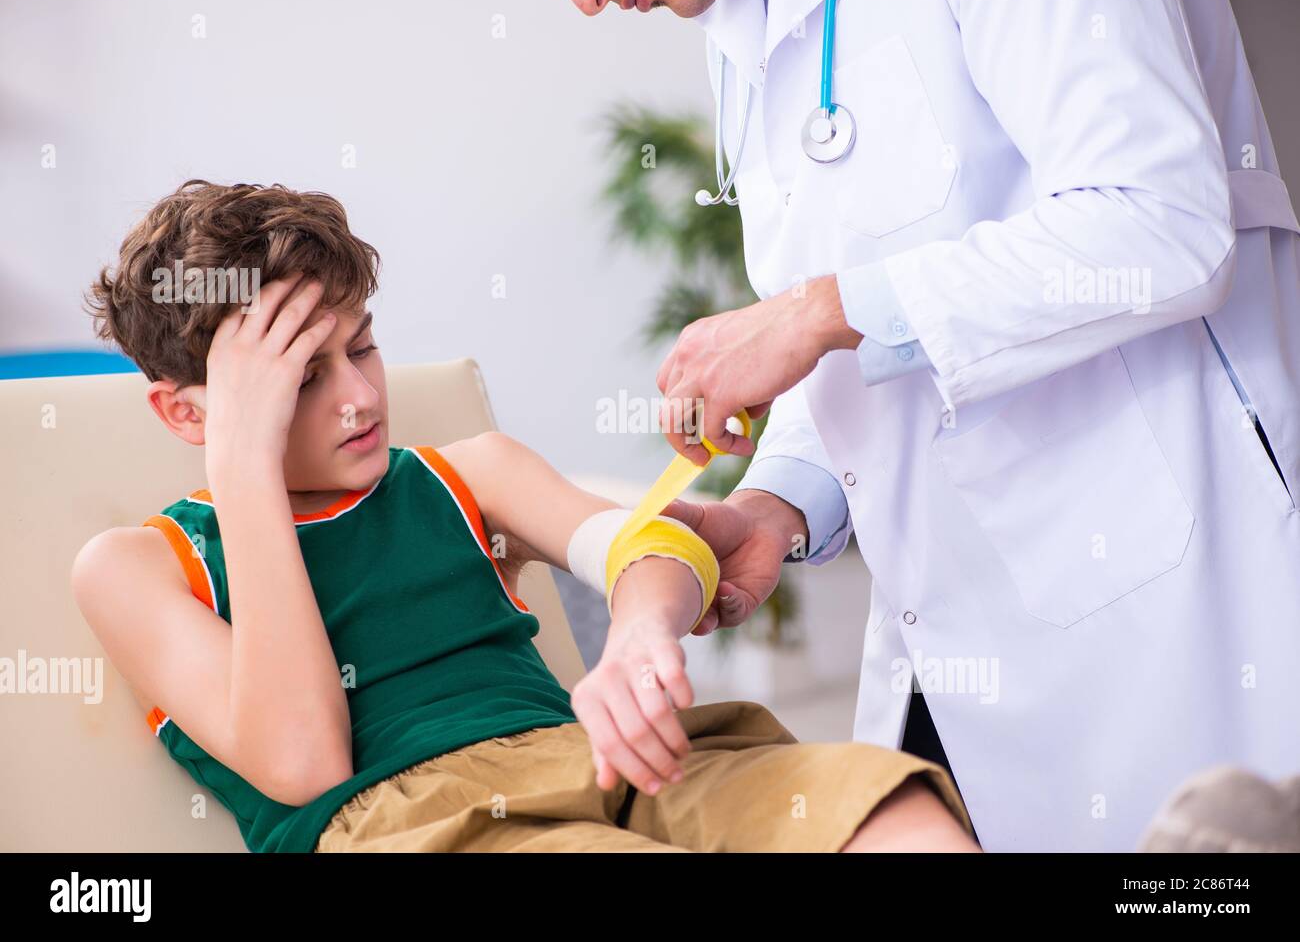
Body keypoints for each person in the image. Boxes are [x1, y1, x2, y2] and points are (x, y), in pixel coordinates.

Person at [557, 0, 1300, 850]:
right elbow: (868, 319)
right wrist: (777, 503)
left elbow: (1161, 223)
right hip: (950, 627)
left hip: (1160, 602)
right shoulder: (737, 22)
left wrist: (811, 314)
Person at [69, 179, 977, 853]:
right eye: (300, 378)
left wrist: (637, 632)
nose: (357, 396)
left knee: (891, 812)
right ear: (187, 413)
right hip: (421, 826)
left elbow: (650, 545)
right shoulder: (139, 567)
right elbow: (305, 761)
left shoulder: (465, 475)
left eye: (364, 347)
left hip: (602, 764)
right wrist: (242, 470)